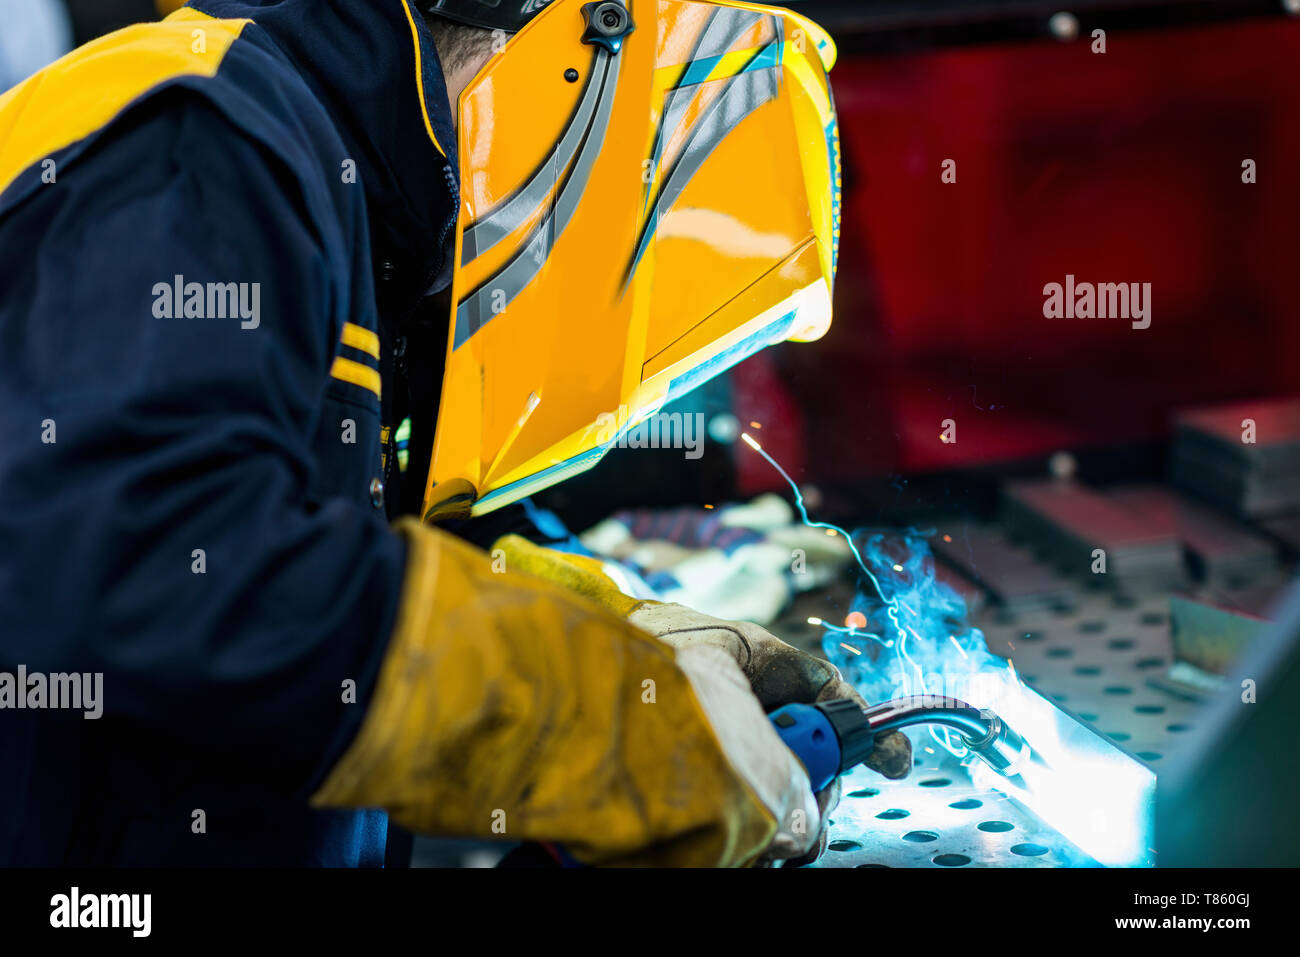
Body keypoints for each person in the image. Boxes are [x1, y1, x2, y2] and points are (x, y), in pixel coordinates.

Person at [0, 0, 909, 867]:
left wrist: (624, 637)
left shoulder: (347, 192)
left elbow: (323, 535)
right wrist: (601, 713)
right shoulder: (201, 137)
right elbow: (157, 559)